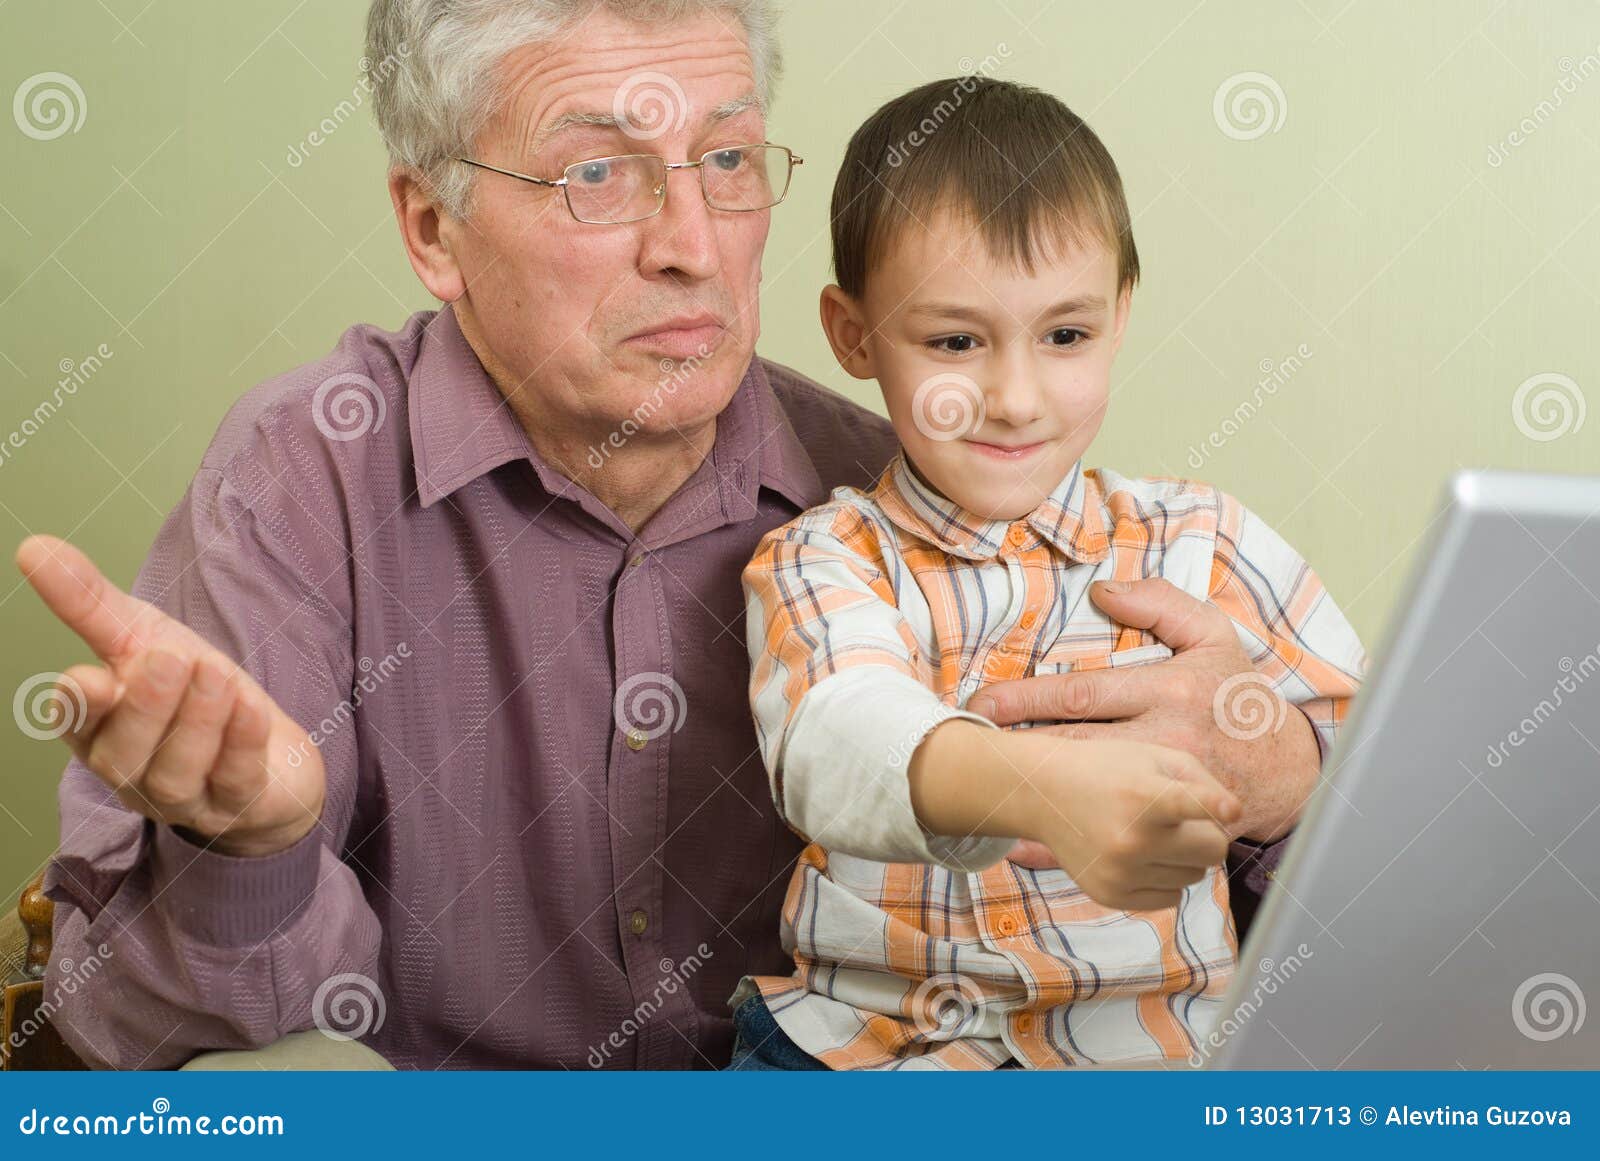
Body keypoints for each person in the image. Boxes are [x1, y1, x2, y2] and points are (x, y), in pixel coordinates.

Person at [15, 1, 1335, 1070]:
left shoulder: (916, 480)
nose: (694, 246)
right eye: (598, 174)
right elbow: (115, 1046)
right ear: (434, 227)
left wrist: (1275, 778)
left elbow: (1332, 918)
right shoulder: (304, 475)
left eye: (726, 160)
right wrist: (247, 850)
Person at [729, 77, 1366, 1070]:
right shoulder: (825, 556)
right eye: (954, 342)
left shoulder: (1205, 543)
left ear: (1118, 317)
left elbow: (1382, 779)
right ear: (854, 337)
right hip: (868, 1052)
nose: (1016, 399)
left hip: (1151, 1056)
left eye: (1064, 336)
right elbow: (835, 734)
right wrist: (1036, 788)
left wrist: (1287, 762)